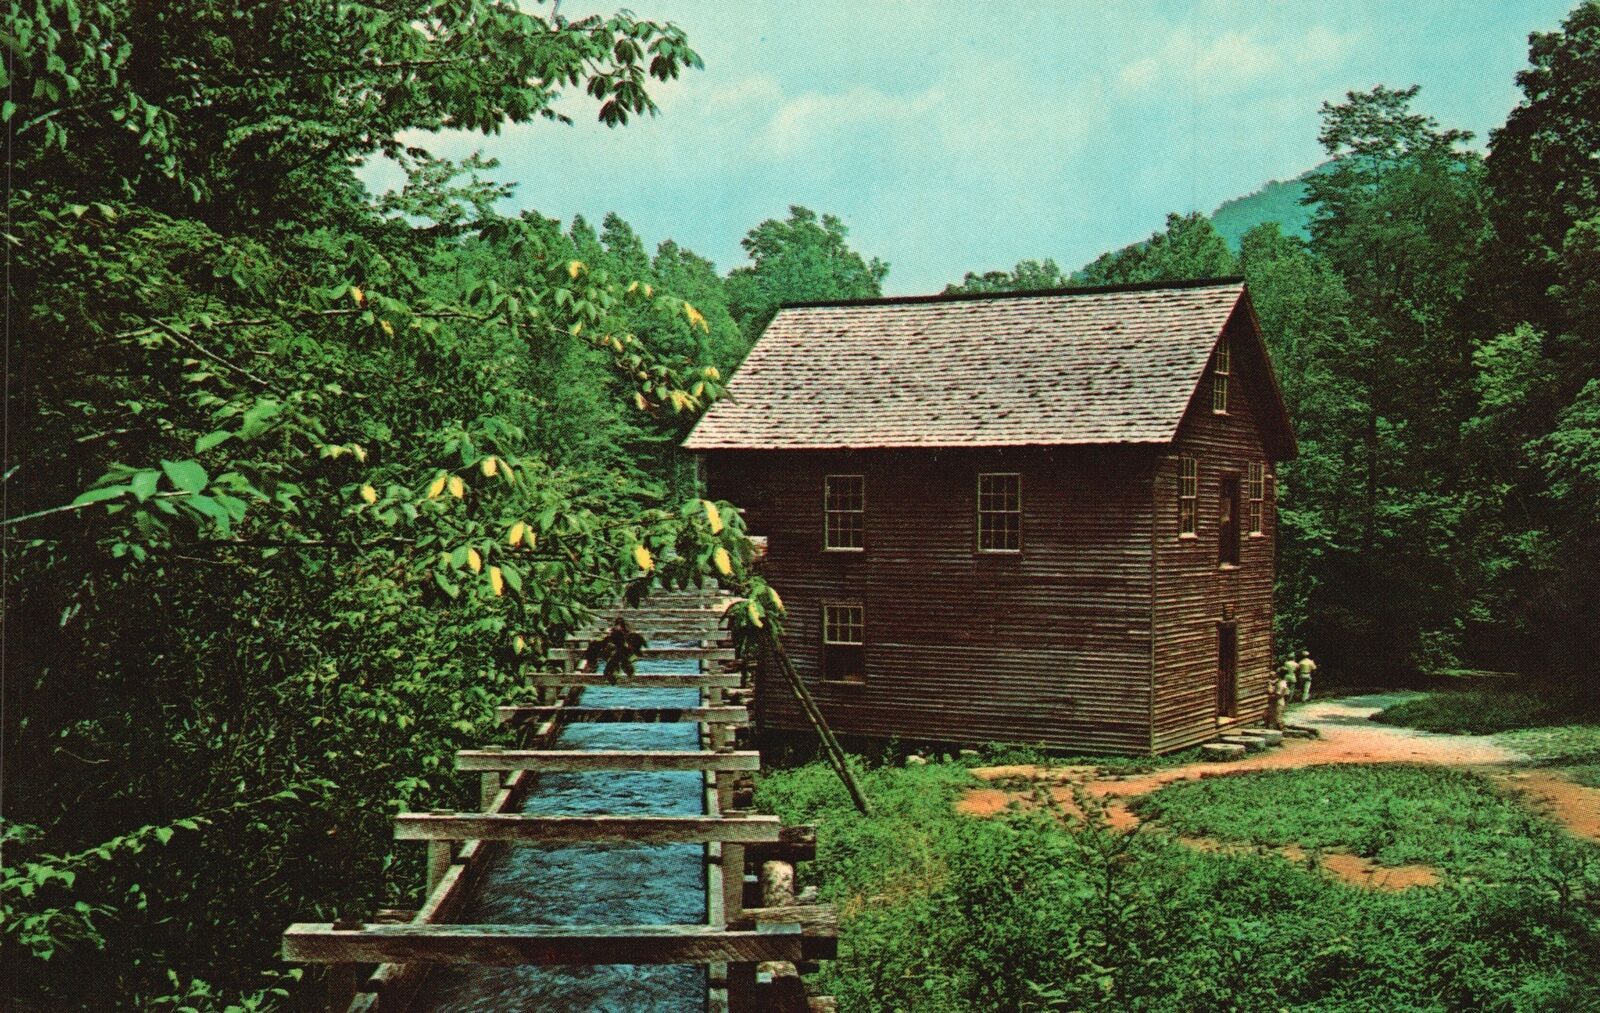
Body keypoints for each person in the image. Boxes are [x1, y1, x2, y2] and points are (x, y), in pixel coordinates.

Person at [579, 617, 647, 680]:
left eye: (620, 626)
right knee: (595, 645)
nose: (618, 627)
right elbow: (604, 641)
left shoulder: (626, 634)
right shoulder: (613, 632)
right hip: (616, 652)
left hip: (622, 654)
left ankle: (592, 666)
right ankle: (591, 665)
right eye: (617, 625)